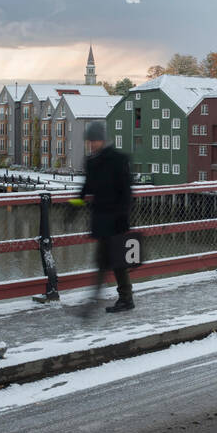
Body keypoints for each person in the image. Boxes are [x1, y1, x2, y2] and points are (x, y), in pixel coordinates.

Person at [76, 121, 134, 313]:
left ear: (103, 139)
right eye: (90, 141)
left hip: (116, 220)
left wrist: (123, 217)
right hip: (101, 219)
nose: (92, 144)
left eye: (95, 140)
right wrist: (73, 206)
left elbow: (126, 191)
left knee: (111, 262)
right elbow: (86, 188)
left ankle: (114, 299)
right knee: (108, 261)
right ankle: (123, 298)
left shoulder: (118, 159)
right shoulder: (91, 162)